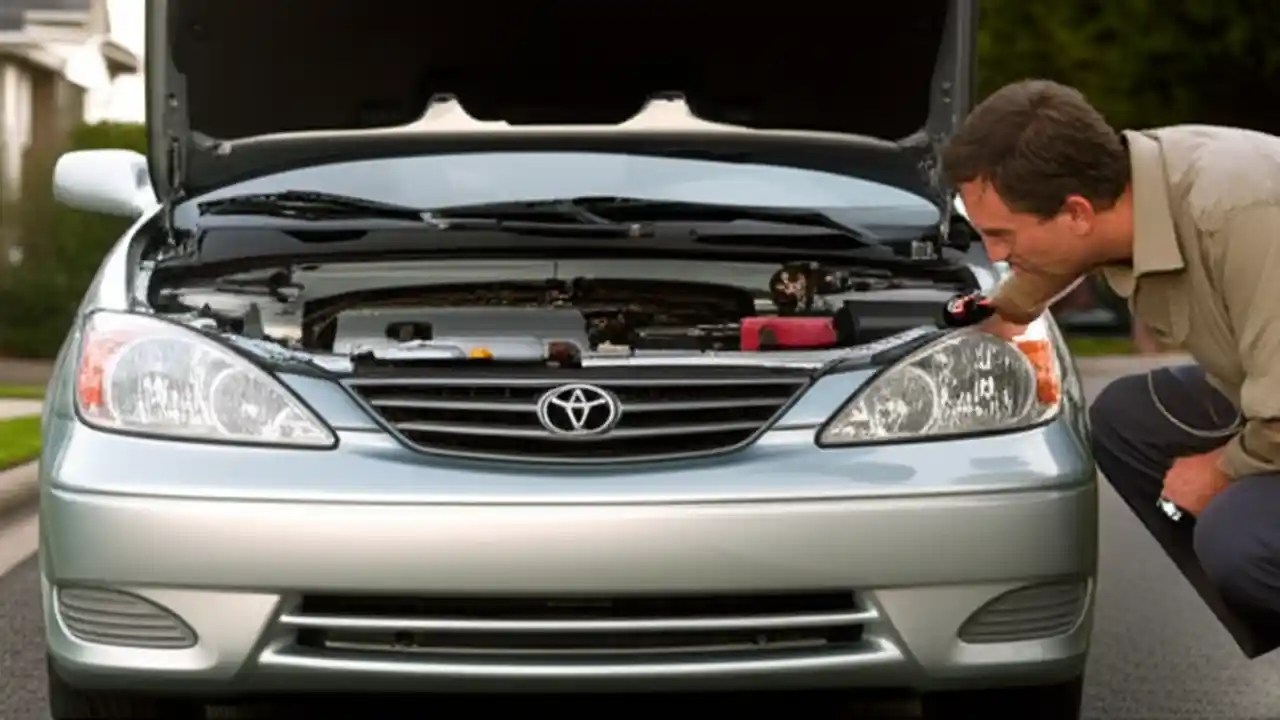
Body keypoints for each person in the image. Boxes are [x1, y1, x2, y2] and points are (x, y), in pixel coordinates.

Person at [940, 78, 1280, 645]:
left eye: (1002, 236)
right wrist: (1002, 312)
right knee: (1130, 418)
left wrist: (1221, 472)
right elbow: (1067, 253)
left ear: (1074, 212)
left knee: (1238, 539)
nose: (995, 255)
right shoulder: (1130, 182)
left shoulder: (1242, 213)